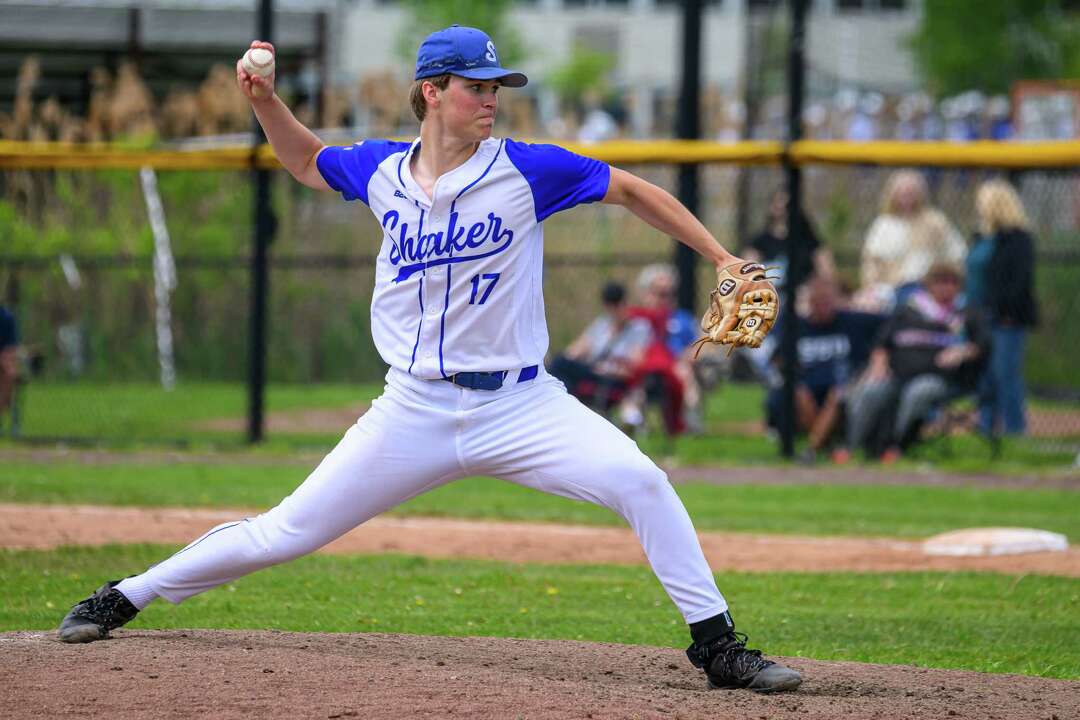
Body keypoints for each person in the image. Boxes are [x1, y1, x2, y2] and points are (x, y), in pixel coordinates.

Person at [56, 27, 802, 694]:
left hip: (520, 405)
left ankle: (719, 650)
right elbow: (308, 161)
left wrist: (722, 255)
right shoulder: (381, 171)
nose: (491, 100)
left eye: (496, 88)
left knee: (642, 480)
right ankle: (126, 594)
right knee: (288, 530)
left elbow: (632, 190)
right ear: (431, 92)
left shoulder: (527, 170)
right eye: (475, 87)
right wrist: (263, 101)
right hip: (411, 409)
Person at [841, 263, 990, 463]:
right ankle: (851, 447)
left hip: (939, 378)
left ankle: (895, 446)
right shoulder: (909, 310)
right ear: (929, 285)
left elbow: (982, 345)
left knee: (918, 392)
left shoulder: (967, 313)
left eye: (952, 282)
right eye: (940, 282)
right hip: (896, 373)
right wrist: (879, 365)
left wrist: (962, 351)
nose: (946, 287)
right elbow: (881, 344)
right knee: (871, 391)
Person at [767, 276, 884, 464]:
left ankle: (811, 448)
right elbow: (777, 359)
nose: (823, 307)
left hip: (845, 383)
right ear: (810, 303)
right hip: (807, 384)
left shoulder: (854, 322)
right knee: (799, 393)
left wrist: (878, 358)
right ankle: (824, 445)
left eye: (827, 302)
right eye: (818, 302)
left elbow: (890, 325)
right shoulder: (797, 326)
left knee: (836, 395)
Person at [966, 179, 1038, 436]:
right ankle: (986, 430)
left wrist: (1007, 313)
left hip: (1006, 318)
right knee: (985, 376)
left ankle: (1015, 431)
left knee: (1005, 374)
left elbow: (1020, 281)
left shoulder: (1018, 239)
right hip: (978, 316)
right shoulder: (980, 237)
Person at [854, 170, 966, 313]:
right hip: (891, 288)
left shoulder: (935, 222)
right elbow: (871, 263)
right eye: (902, 192)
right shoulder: (883, 224)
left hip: (928, 288)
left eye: (911, 192)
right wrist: (869, 288)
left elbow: (957, 255)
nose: (906, 197)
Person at [547, 281, 651, 410]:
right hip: (593, 370)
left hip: (612, 377)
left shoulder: (639, 328)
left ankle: (559, 406)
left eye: (619, 305)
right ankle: (559, 405)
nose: (616, 310)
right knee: (561, 365)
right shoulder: (602, 324)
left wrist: (609, 368)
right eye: (611, 306)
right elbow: (577, 349)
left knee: (561, 366)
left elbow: (634, 365)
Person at [0, 305, 17, 424]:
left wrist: (5, 359)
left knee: (10, 373)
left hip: (3, 359)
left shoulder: (6, 317)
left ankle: (3, 407)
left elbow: (10, 348)